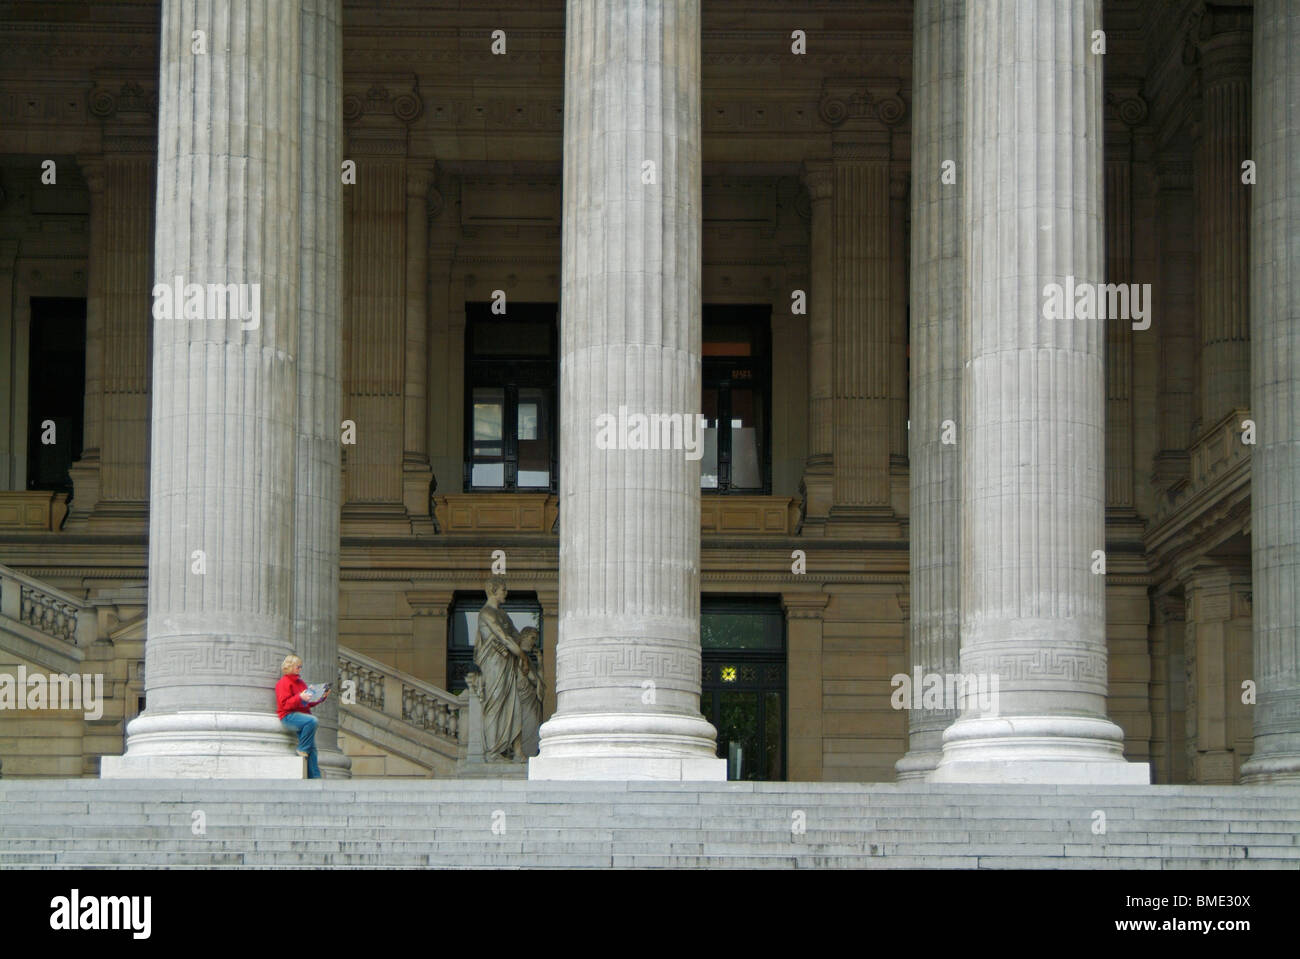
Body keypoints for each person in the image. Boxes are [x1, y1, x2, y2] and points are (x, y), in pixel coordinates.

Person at [475, 576, 524, 760]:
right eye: (503, 589)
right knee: (495, 703)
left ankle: (516, 749)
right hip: (494, 665)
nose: (506, 593)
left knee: (515, 705)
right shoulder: (486, 613)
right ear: (493, 590)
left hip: (508, 664)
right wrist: (521, 654)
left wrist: (513, 646)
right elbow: (504, 637)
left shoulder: (503, 615)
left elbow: (515, 636)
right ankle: (493, 750)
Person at [276, 654, 329, 779]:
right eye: (297, 666)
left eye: (300, 666)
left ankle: (315, 777)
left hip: (301, 716)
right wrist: (299, 697)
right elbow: (285, 705)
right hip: (288, 716)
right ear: (289, 666)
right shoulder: (284, 683)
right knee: (312, 721)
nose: (300, 669)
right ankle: (302, 748)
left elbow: (307, 703)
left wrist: (322, 696)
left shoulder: (300, 682)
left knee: (313, 749)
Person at [515, 627, 544, 758]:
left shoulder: (527, 658)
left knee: (532, 725)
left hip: (530, 698)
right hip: (523, 697)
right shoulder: (519, 657)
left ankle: (528, 753)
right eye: (532, 638)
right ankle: (526, 753)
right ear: (523, 636)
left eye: (535, 639)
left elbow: (539, 681)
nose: (533, 642)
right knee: (529, 725)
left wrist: (540, 662)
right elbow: (534, 679)